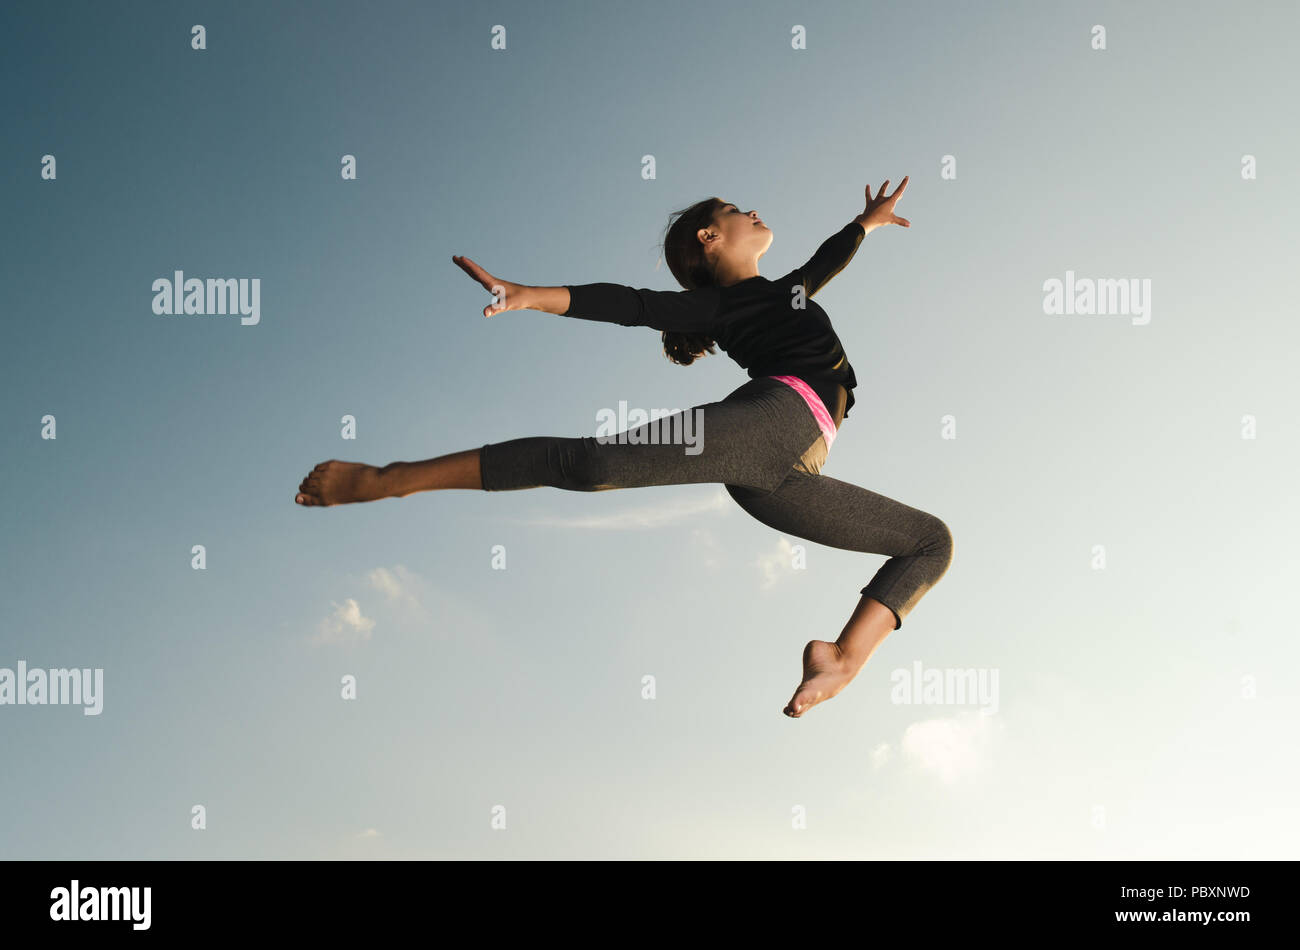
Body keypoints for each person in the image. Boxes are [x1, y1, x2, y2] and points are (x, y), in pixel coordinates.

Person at [294, 176, 953, 718]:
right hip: (776, 418)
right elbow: (631, 305)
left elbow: (826, 258)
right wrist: (533, 297)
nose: (753, 210)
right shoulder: (717, 308)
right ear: (709, 237)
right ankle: (389, 478)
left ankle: (842, 660)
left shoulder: (787, 291)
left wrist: (865, 223)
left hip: (787, 473)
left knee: (931, 542)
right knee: (593, 465)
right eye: (734, 209)